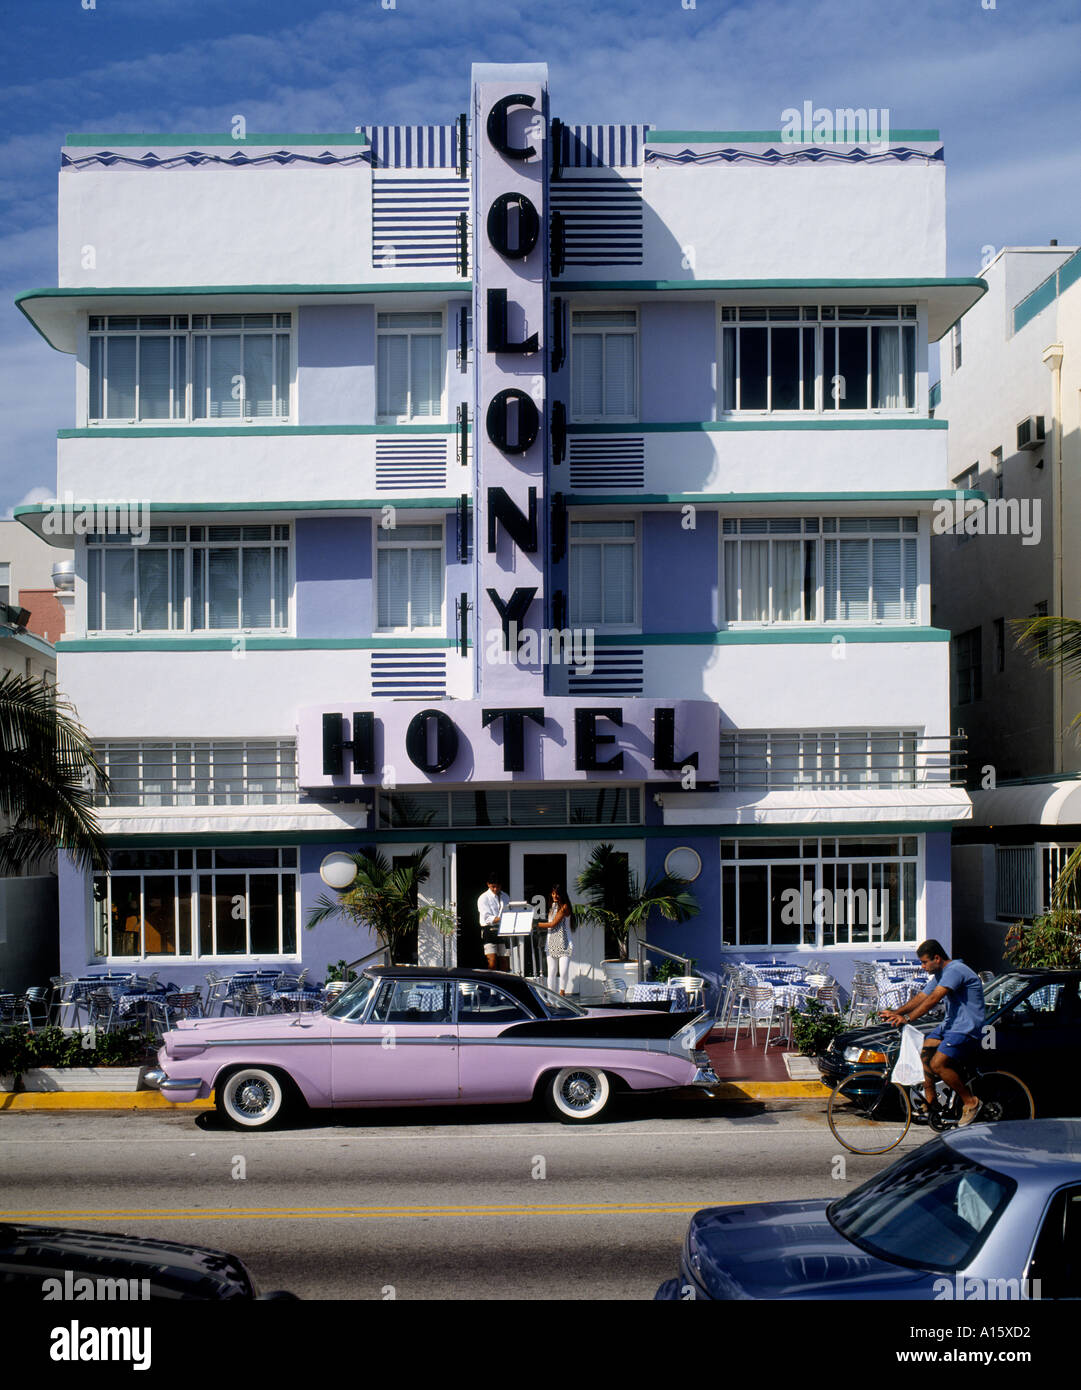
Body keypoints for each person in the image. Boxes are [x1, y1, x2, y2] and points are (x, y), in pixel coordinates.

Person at [879, 938, 987, 1127]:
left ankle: (971, 1102)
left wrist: (908, 1018)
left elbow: (935, 998)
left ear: (936, 958)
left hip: (965, 1028)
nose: (922, 966)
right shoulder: (941, 974)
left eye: (924, 962)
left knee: (937, 1064)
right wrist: (896, 1013)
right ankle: (932, 1102)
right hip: (950, 1026)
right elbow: (922, 997)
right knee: (924, 1053)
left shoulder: (955, 971)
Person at [537, 884, 574, 996]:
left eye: (557, 893)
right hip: (552, 941)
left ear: (562, 894)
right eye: (553, 893)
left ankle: (562, 992)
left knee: (563, 971)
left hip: (564, 943)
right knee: (551, 972)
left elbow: (552, 924)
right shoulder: (552, 906)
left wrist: (535, 924)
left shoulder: (565, 907)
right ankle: (551, 996)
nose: (555, 896)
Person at [477, 873, 511, 971]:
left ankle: (504, 984)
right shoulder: (483, 898)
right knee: (492, 962)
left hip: (503, 930)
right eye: (493, 887)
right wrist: (504, 918)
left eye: (498, 886)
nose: (495, 889)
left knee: (504, 961)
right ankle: (491, 984)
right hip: (489, 930)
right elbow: (487, 918)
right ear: (488, 884)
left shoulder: (505, 896)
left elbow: (509, 911)